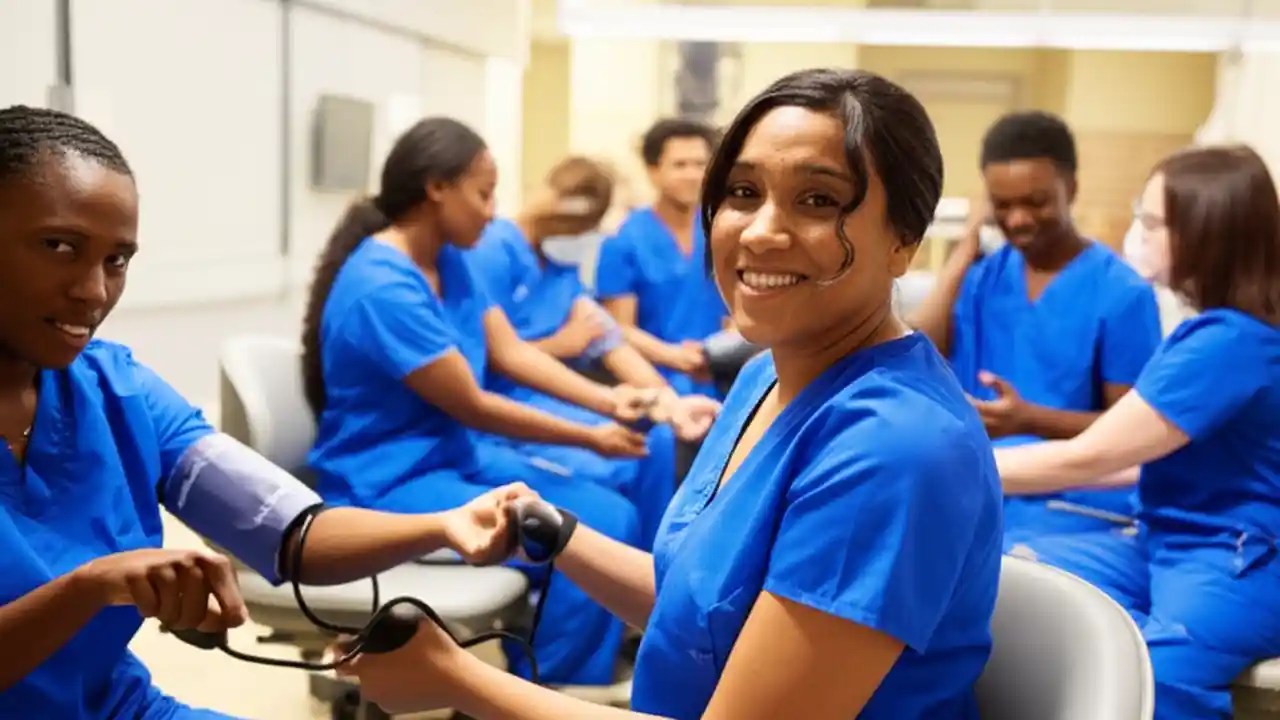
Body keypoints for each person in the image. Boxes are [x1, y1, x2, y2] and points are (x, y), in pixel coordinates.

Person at [336, 67, 1004, 720]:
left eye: (818, 200)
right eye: (742, 192)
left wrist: (457, 679)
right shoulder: (765, 377)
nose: (761, 230)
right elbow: (711, 607)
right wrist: (558, 534)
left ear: (904, 242)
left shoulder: (894, 450)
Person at [0, 105, 527, 718]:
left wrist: (442, 526)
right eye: (59, 246)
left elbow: (293, 533)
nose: (94, 291)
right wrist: (88, 589)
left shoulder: (119, 391)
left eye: (116, 261)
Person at [300, 116, 691, 688]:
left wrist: (613, 403)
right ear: (437, 188)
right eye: (484, 194)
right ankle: (548, 689)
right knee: (590, 524)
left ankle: (563, 677)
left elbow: (510, 354)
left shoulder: (450, 259)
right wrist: (590, 434)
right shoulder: (384, 285)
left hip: (452, 456)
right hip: (385, 480)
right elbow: (474, 405)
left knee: (611, 514)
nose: (493, 211)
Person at [992, 145, 1280, 720]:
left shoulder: (1231, 342)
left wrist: (944, 471)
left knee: (1151, 677)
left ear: (1205, 233)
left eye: (1151, 221)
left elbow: (1088, 459)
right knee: (1010, 574)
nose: (1137, 232)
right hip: (1162, 540)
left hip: (1236, 559)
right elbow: (1137, 458)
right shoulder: (1210, 330)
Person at [911, 110, 1163, 547]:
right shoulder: (982, 276)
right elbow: (918, 352)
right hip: (973, 490)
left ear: (1072, 189)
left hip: (1067, 508)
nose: (1019, 219)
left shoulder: (1122, 293)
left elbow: (1133, 434)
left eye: (1036, 201)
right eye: (1003, 205)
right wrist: (965, 246)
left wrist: (1028, 419)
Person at [467, 156, 721, 547]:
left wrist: (667, 403)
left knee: (663, 439)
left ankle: (653, 565)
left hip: (552, 396)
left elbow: (608, 339)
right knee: (620, 473)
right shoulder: (493, 249)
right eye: (579, 223)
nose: (583, 234)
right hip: (504, 406)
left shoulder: (559, 270)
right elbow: (496, 353)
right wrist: (562, 345)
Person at [595, 118, 728, 397]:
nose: (692, 174)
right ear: (653, 171)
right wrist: (676, 358)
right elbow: (619, 328)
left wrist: (722, 350)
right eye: (680, 165)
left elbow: (740, 313)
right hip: (656, 382)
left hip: (724, 373)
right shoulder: (624, 240)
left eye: (700, 164)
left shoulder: (725, 230)